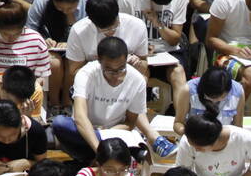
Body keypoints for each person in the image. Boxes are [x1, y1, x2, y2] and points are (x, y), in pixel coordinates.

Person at [59, 36, 172, 164]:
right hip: (87, 132)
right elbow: (80, 117)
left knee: (128, 141)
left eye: (121, 69)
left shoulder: (136, 80)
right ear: (99, 60)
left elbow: (130, 122)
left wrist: (105, 133)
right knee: (60, 124)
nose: (116, 76)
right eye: (109, 71)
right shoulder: (86, 74)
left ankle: (90, 160)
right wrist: (101, 152)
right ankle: (104, 157)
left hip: (114, 132)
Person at [173, 67, 246, 136]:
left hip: (223, 139)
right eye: (211, 97)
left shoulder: (238, 91)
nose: (216, 101)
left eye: (222, 97)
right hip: (196, 140)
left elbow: (238, 127)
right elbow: (178, 123)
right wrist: (189, 133)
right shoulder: (188, 90)